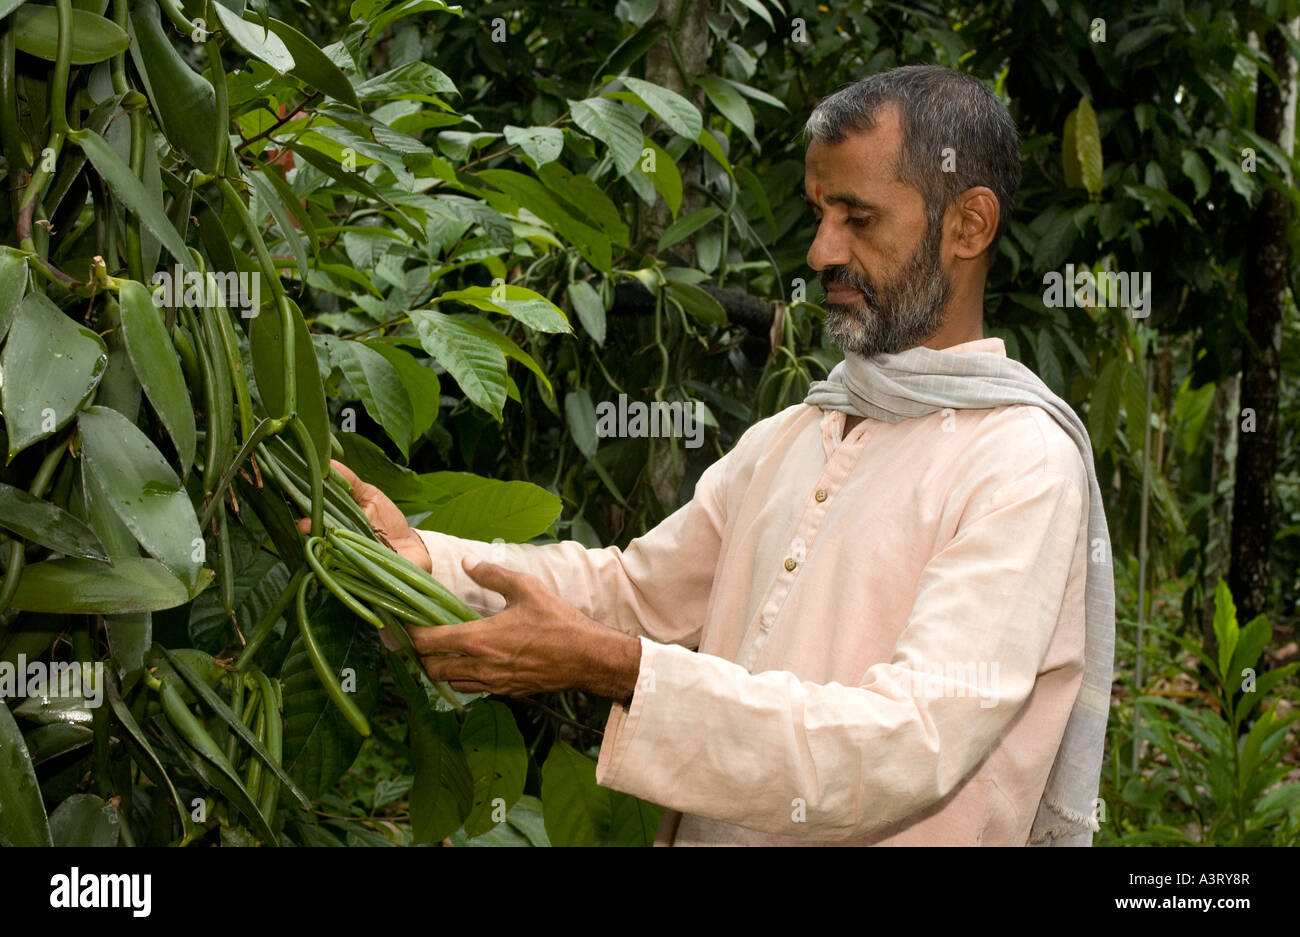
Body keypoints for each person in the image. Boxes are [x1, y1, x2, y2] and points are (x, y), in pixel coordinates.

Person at [311, 65, 1114, 846]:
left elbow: (908, 741)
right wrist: (419, 559)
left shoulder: (1021, 463)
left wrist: (619, 669)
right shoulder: (795, 436)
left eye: (858, 219)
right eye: (819, 213)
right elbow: (631, 590)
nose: (821, 252)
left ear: (968, 225)